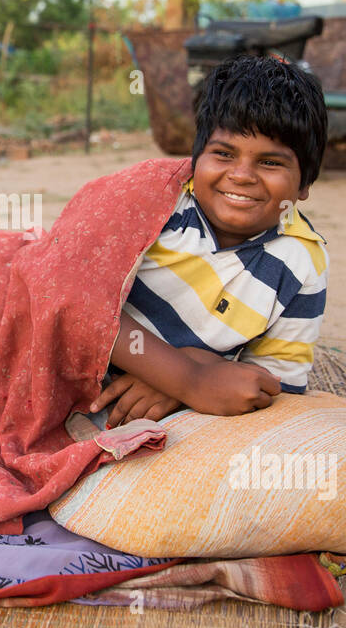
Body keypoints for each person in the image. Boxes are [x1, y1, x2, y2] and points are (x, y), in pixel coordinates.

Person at [93, 53, 329, 427]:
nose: (242, 175)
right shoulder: (154, 202)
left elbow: (269, 383)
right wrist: (189, 378)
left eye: (270, 162)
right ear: (195, 158)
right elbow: (75, 306)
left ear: (304, 185)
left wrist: (186, 373)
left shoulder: (300, 262)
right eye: (223, 154)